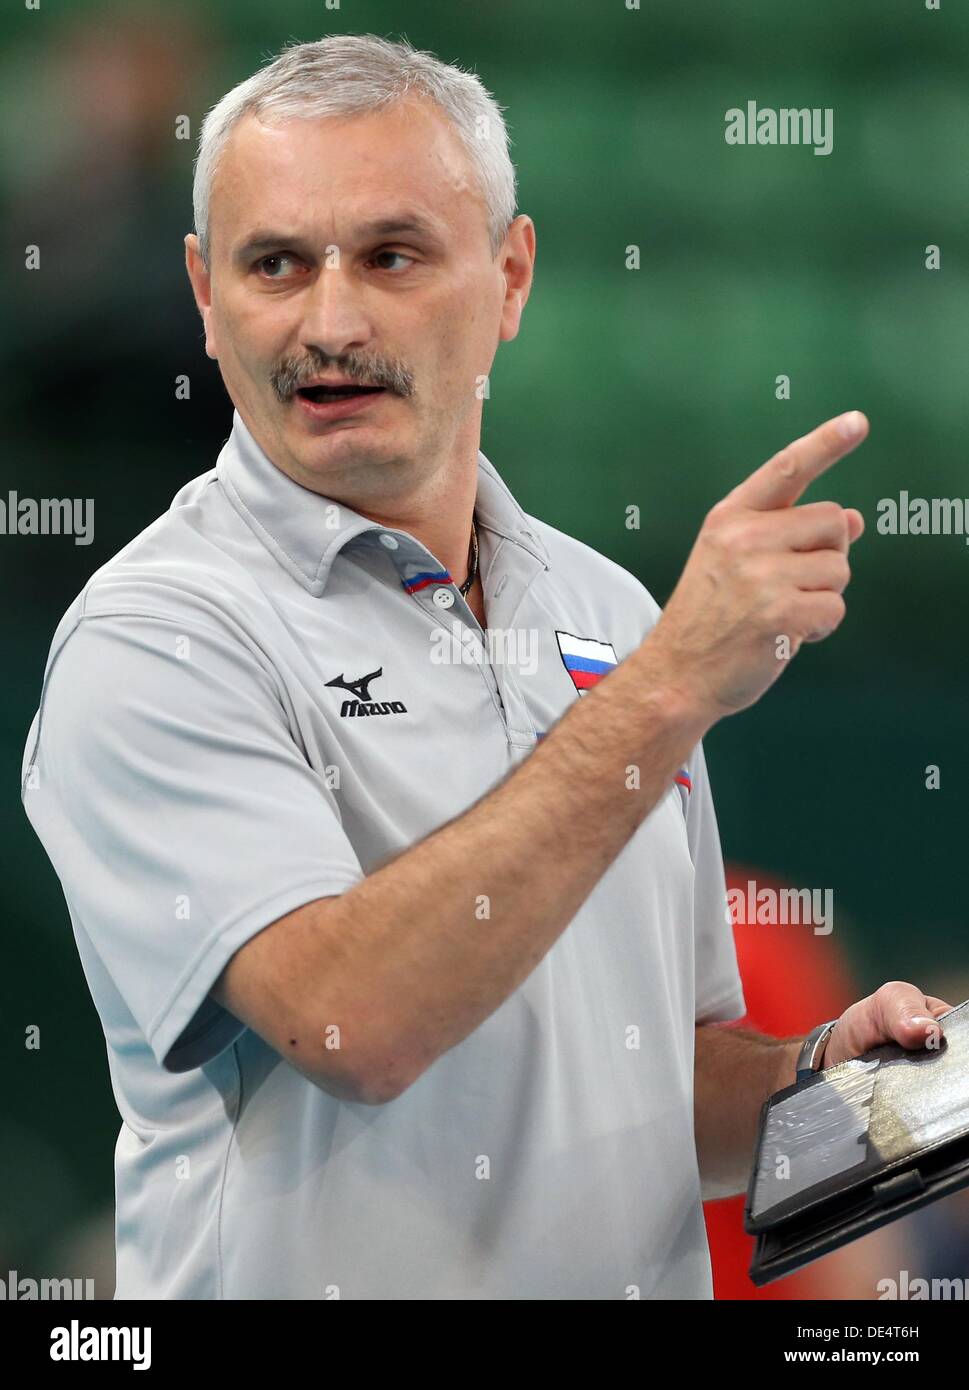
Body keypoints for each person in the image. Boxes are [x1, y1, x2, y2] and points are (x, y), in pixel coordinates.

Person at [20, 33, 951, 1300]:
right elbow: (355, 1025)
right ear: (204, 296)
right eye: (276, 264)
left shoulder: (607, 608)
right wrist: (671, 684)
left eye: (392, 256)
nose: (330, 320)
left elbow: (650, 1089)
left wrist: (829, 1081)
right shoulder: (155, 639)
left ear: (510, 278)